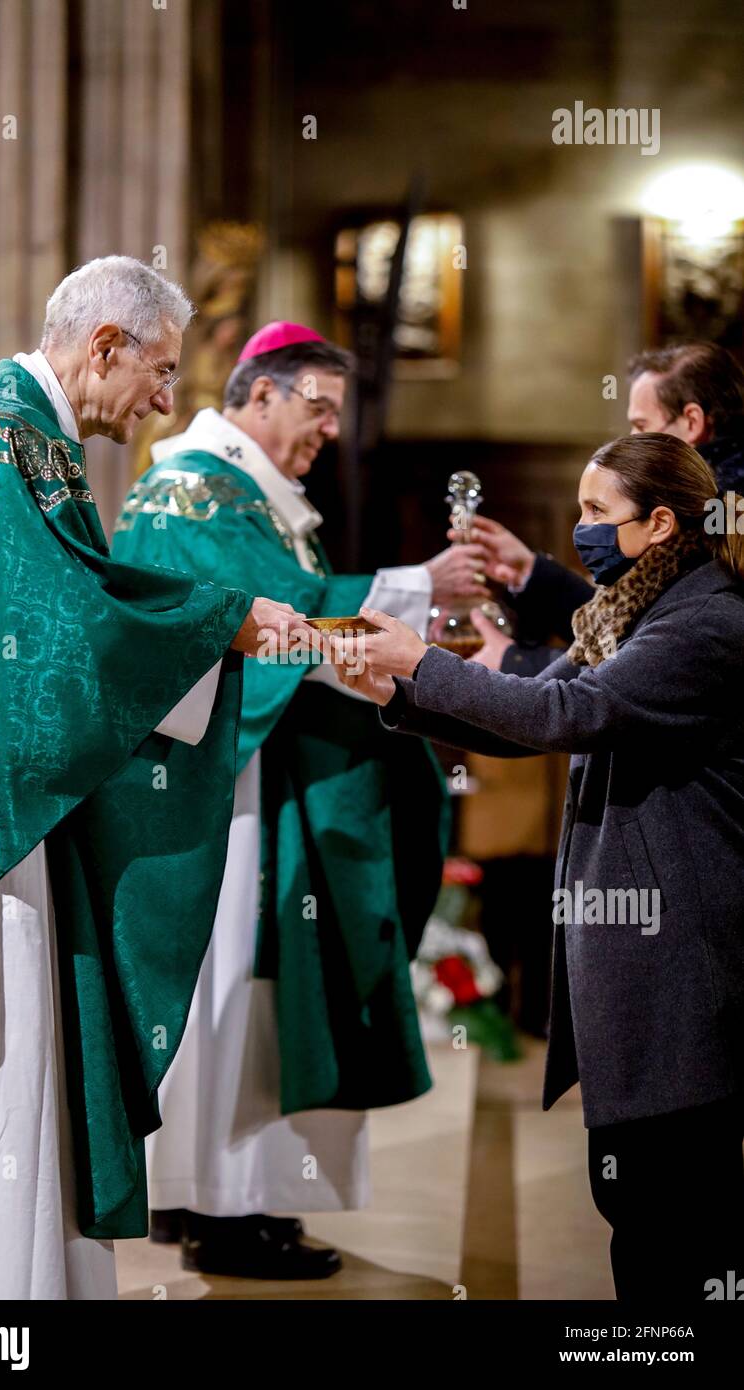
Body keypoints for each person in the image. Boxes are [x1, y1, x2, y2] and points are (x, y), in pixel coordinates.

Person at [0, 257, 312, 1300]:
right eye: (158, 370)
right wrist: (223, 620)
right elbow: (56, 634)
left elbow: (68, 603)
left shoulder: (6, 430)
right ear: (103, 344)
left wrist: (204, 624)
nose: (166, 398)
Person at [334, 432, 744, 1301]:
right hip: (642, 951)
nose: (583, 529)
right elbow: (529, 714)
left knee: (674, 1220)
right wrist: (401, 691)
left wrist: (425, 663)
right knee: (631, 1198)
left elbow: (569, 712)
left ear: (661, 523)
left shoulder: (707, 621)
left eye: (598, 513)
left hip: (686, 956)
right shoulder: (626, 608)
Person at [113, 321, 459, 1279]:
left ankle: (207, 1198)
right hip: (229, 789)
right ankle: (228, 1207)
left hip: (249, 777)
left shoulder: (244, 490)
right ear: (259, 395)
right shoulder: (198, 487)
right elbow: (266, 617)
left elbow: (284, 599)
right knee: (242, 989)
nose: (328, 432)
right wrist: (417, 587)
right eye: (317, 408)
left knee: (248, 991)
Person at [452, 341, 744, 675]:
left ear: (692, 422)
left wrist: (518, 661)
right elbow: (622, 616)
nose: (630, 439)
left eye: (641, 426)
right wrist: (530, 571)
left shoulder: (714, 518)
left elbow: (646, 661)